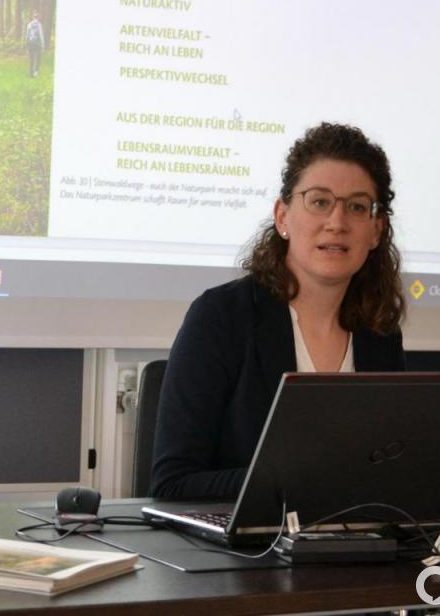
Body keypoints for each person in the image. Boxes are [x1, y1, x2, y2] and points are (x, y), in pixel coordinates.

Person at [150, 122, 406, 501]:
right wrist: (301, 482)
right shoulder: (221, 316)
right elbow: (172, 484)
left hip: (353, 546)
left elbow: (390, 467)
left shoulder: (380, 331)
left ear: (376, 230)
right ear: (283, 217)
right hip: (246, 553)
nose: (337, 223)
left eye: (356, 207)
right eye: (319, 201)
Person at [25, 11, 44, 78]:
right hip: (37, 44)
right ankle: (36, 72)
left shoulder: (29, 24)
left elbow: (27, 34)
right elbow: (41, 35)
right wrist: (43, 44)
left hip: (30, 43)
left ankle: (31, 73)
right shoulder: (39, 24)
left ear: (33, 17)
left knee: (31, 59)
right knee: (38, 58)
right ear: (38, 17)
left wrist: (26, 43)